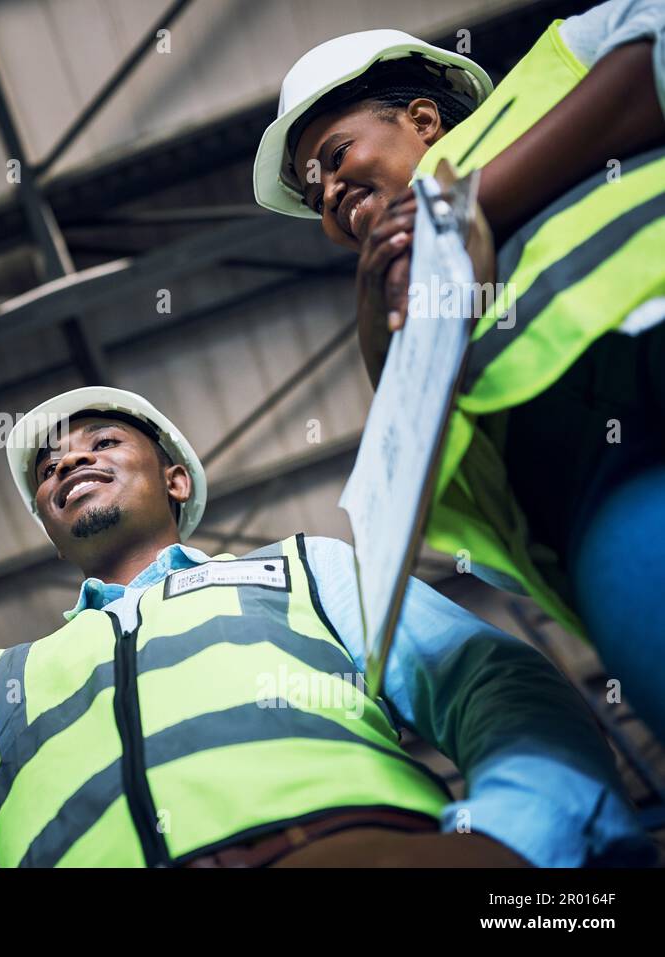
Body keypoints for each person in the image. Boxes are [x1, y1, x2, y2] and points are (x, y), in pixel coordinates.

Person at [0, 385, 652, 867]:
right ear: (49, 524)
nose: (68, 462)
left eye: (102, 442)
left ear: (176, 479)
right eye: (49, 467)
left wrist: (519, 836)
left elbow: (493, 684)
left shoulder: (306, 569)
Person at [252, 0, 665, 738]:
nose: (331, 196)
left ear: (422, 119)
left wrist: (472, 208)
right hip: (601, 497)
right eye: (316, 199)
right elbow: (490, 532)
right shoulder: (402, 319)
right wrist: (389, 357)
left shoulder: (567, 61)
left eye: (336, 158)